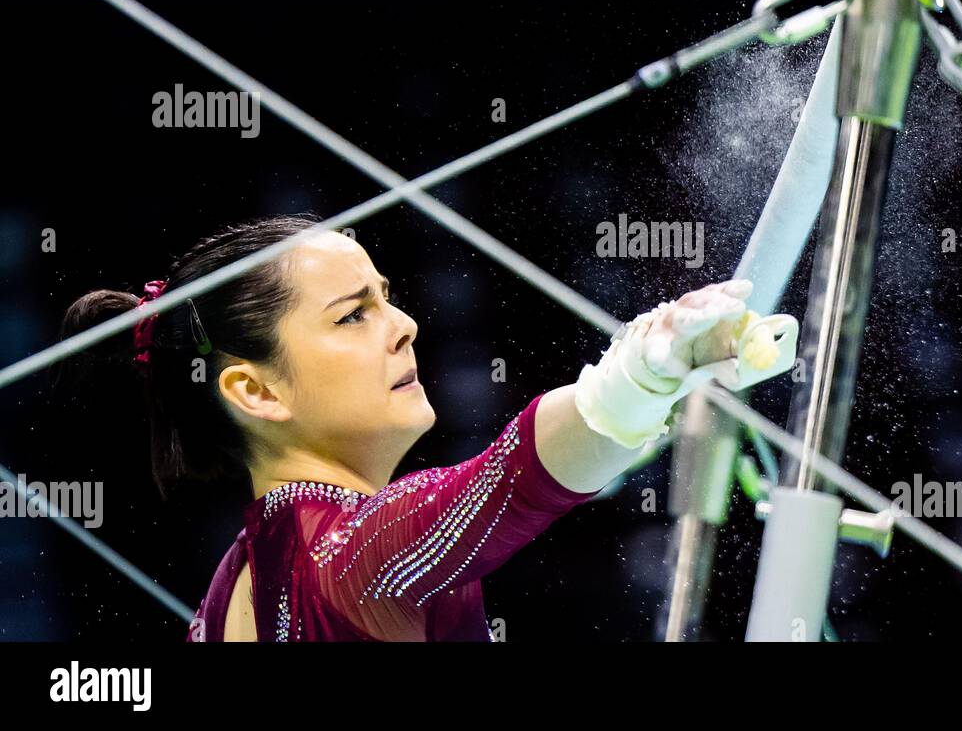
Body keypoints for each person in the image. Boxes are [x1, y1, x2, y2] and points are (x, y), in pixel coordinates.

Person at [57, 213, 795, 641]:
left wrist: (657, 395)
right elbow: (513, 480)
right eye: (352, 315)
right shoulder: (345, 558)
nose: (404, 326)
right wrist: (639, 373)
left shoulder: (233, 589)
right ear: (255, 390)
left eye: (387, 298)